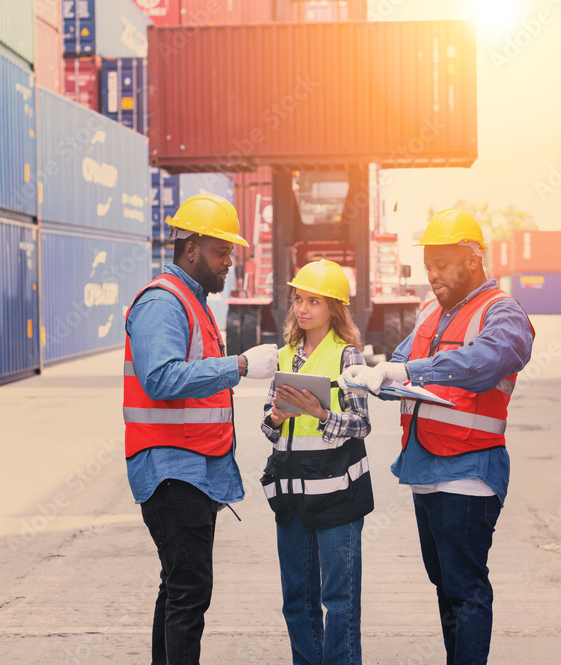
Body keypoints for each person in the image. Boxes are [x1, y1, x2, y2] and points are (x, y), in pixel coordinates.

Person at [340, 209, 534, 665]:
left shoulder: (502, 313)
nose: (432, 274)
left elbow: (483, 362)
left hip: (469, 470)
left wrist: (406, 369)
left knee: (465, 590)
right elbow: (402, 370)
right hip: (426, 471)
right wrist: (371, 377)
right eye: (428, 265)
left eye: (442, 263)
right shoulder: (432, 315)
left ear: (471, 259)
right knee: (445, 587)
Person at [123, 193, 280, 665]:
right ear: (191, 249)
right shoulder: (163, 302)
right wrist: (240, 365)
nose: (229, 262)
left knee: (178, 589)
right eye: (221, 251)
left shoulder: (196, 303)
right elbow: (160, 377)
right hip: (173, 470)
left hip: (192, 470)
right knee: (189, 593)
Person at [259, 259, 373, 665]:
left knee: (339, 602)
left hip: (336, 499)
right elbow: (270, 429)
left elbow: (361, 424)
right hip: (290, 498)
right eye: (297, 300)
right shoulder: (285, 356)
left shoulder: (348, 358)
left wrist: (323, 416)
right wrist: (275, 418)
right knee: (297, 602)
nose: (302, 309)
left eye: (313, 302)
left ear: (334, 309)